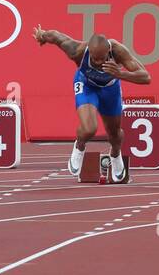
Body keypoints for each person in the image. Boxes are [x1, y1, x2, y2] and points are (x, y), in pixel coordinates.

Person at [33, 25, 152, 182]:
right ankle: (80, 145)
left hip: (110, 89)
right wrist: (42, 36)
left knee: (115, 134)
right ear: (89, 50)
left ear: (108, 52)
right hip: (86, 86)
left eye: (101, 58)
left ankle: (115, 155)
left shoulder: (117, 51)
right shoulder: (77, 51)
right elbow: (56, 36)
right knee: (90, 129)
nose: (97, 62)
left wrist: (120, 74)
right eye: (94, 58)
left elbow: (146, 77)